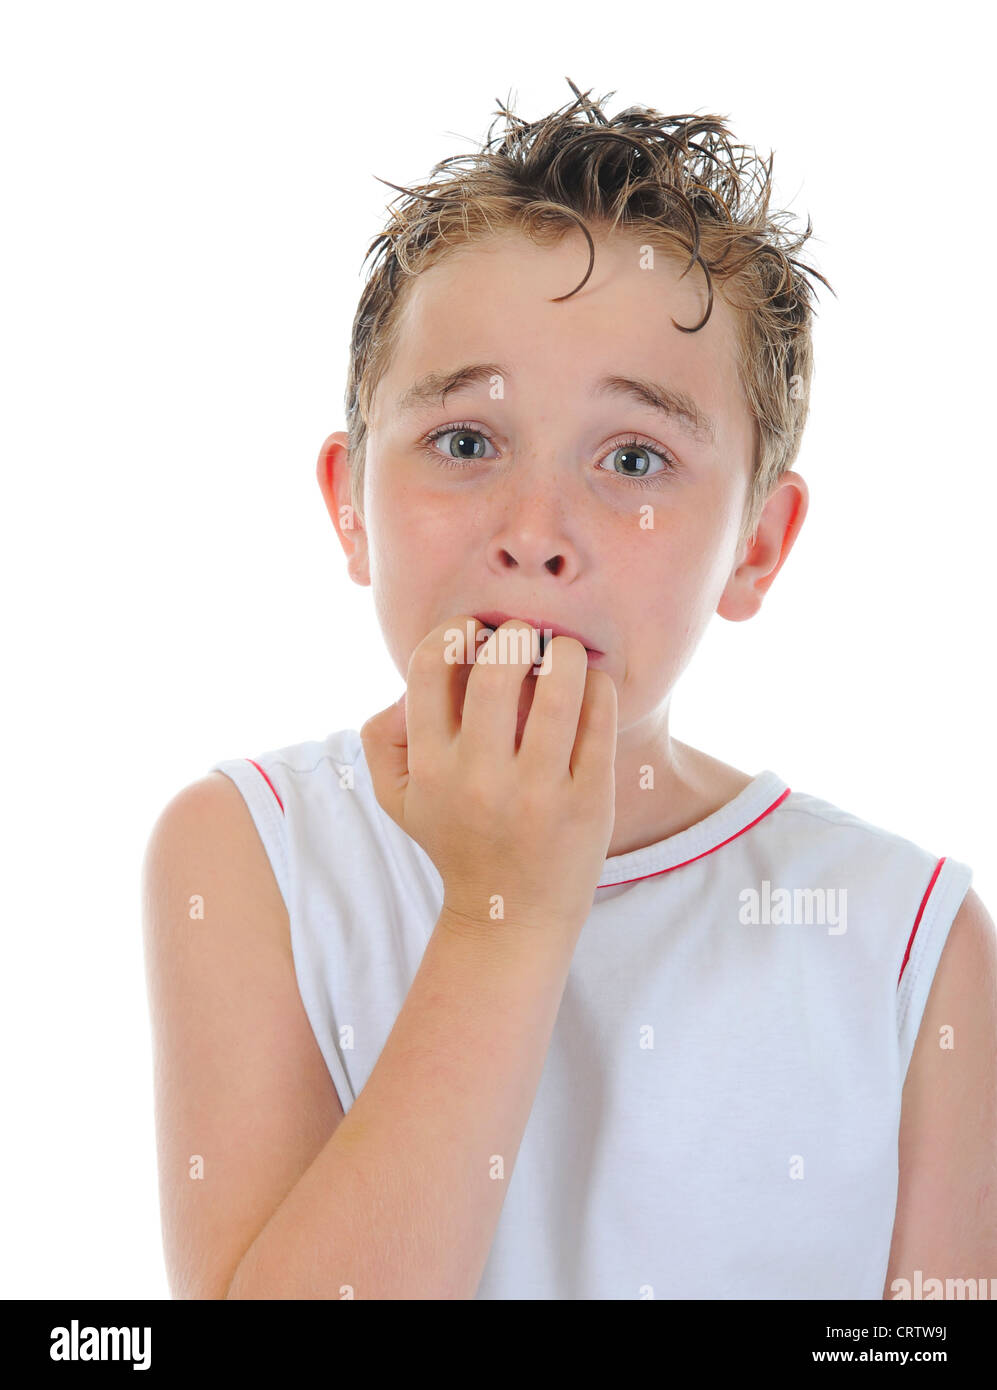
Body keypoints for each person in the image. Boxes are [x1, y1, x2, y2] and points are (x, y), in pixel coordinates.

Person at [141, 79, 996, 1300]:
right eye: (467, 441)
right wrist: (506, 910)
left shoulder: (911, 939)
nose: (536, 532)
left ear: (757, 544)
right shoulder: (247, 853)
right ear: (351, 505)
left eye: (634, 457)